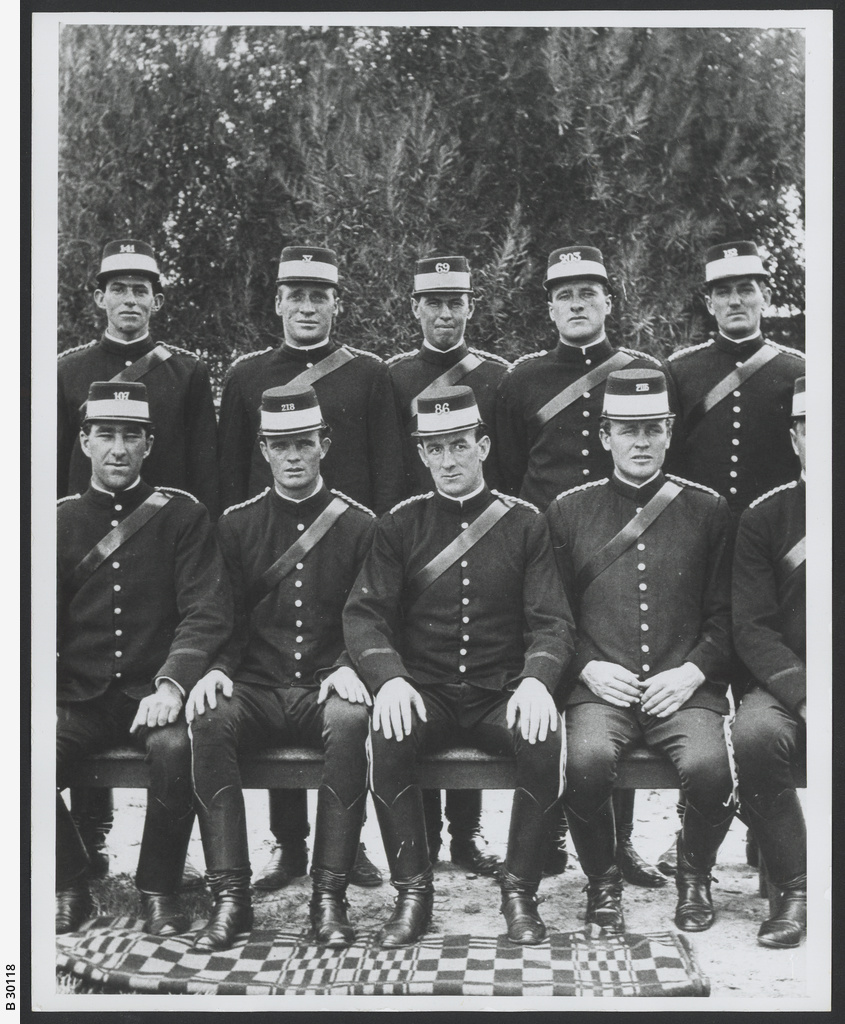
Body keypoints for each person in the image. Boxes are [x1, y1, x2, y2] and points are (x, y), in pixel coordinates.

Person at [344, 385, 575, 947]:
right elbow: (365, 614)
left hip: (502, 691)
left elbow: (552, 621)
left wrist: (537, 682)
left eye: (460, 445)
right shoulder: (399, 525)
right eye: (436, 448)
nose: (449, 460)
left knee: (545, 737)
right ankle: (413, 897)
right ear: (422, 454)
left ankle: (520, 895)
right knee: (387, 733)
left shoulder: (525, 523)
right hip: (429, 692)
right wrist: (391, 678)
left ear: (484, 445)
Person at [217, 245, 400, 890]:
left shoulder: (369, 374)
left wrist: (380, 557)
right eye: (294, 294)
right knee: (274, 670)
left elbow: (388, 472)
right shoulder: (246, 376)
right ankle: (289, 847)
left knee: (343, 692)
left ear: (336, 304)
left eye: (318, 296)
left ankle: (347, 849)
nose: (306, 306)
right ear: (277, 302)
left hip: (351, 551)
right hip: (269, 550)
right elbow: (233, 476)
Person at [494, 244, 670, 886]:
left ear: (608, 302)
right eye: (564, 295)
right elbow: (510, 474)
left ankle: (617, 844)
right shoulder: (521, 380)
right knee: (554, 682)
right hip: (549, 550)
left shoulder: (643, 368)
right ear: (549, 307)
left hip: (626, 545)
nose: (576, 304)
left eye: (588, 293)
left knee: (620, 674)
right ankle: (547, 839)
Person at [545, 369, 736, 934]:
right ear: (605, 436)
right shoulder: (568, 512)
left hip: (685, 687)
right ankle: (602, 884)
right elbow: (551, 617)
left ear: (670, 432)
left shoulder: (708, 510)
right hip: (602, 688)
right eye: (627, 430)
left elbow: (726, 617)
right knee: (583, 764)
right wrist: (587, 667)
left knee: (709, 770)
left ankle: (695, 876)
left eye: (652, 428)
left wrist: (692, 672)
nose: (641, 442)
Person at [186, 385, 376, 951]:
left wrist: (350, 664)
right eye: (280, 445)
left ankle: (329, 898)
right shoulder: (237, 525)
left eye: (304, 443)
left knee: (349, 722)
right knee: (208, 719)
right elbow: (223, 613)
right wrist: (216, 667)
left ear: (324, 444)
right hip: (258, 686)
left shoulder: (359, 525)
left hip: (326, 684)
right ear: (264, 451)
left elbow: (370, 611)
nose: (293, 456)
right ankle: (231, 897)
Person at [57, 239, 220, 883]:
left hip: (164, 559)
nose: (129, 298)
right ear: (98, 296)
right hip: (85, 579)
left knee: (174, 747)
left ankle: (158, 886)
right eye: (117, 287)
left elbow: (204, 472)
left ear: (156, 297)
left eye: (141, 288)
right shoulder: (66, 371)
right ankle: (77, 866)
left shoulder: (184, 372)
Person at [56, 382, 231, 936]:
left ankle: (158, 888)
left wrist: (172, 685)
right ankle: (69, 882)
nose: (117, 448)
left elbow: (205, 612)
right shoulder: (57, 520)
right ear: (84, 441)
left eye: (131, 436)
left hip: (151, 697)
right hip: (77, 694)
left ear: (148, 445)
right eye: (105, 434)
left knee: (177, 749)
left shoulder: (182, 516)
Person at [660, 240, 805, 874]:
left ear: (765, 295)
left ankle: (764, 835)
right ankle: (691, 830)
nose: (736, 300)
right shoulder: (683, 370)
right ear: (709, 301)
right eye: (723, 291)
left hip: (775, 548)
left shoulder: (797, 367)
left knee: (762, 688)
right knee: (697, 692)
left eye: (747, 288)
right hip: (704, 547)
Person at [387, 253, 511, 877]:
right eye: (432, 302)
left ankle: (466, 837)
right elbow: (387, 464)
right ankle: (426, 844)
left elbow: (503, 469)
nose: (443, 312)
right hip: (412, 544)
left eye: (454, 302)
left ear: (470, 306)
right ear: (415, 308)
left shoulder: (498, 375)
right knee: (426, 673)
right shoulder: (394, 375)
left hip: (484, 534)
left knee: (478, 658)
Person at [730, 376, 807, 948]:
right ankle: (796, 889)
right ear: (796, 438)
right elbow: (752, 627)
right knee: (754, 733)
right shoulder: (766, 517)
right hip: (788, 685)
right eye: (811, 429)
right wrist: (806, 694)